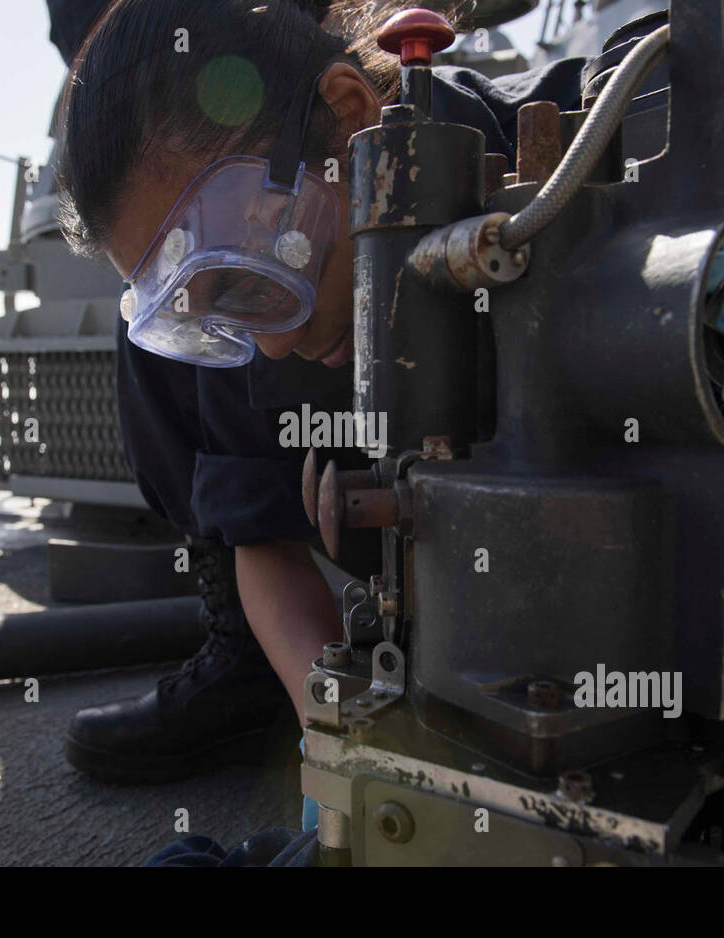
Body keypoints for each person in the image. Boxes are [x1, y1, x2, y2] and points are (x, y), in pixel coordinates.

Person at [53, 0, 584, 784]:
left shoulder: (595, 147)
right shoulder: (250, 311)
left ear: (348, 115)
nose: (271, 345)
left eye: (243, 274)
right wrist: (345, 754)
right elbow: (260, 547)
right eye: (214, 306)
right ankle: (247, 674)